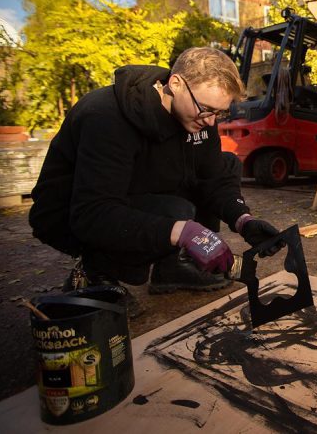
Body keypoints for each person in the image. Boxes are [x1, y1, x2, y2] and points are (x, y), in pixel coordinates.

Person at [29, 47, 282, 317]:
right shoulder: (104, 115)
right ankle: (95, 273)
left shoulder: (201, 120)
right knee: (175, 214)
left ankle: (173, 266)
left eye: (219, 113)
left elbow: (213, 177)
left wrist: (243, 219)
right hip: (72, 211)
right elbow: (92, 212)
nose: (210, 121)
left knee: (225, 164)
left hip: (129, 189)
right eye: (206, 109)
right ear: (176, 84)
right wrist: (182, 231)